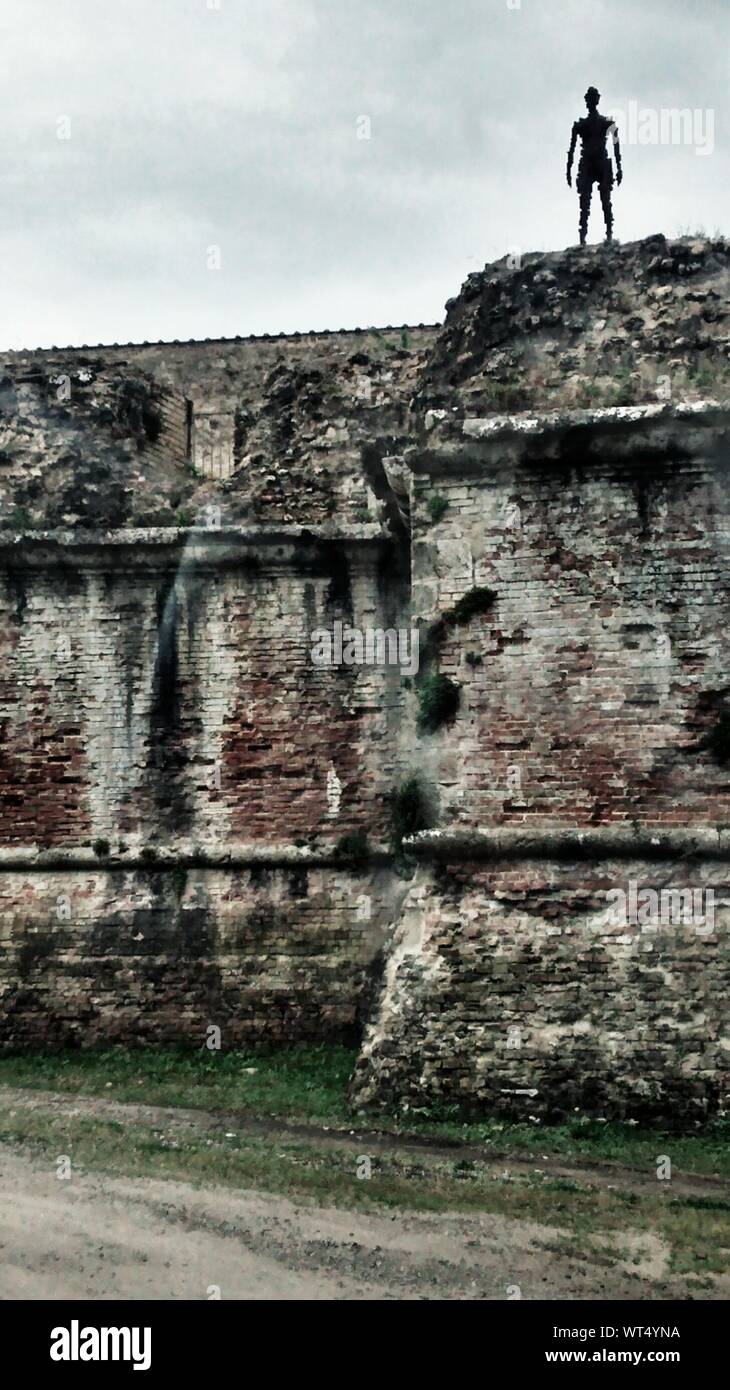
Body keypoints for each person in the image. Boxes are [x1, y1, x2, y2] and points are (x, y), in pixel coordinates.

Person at [567, 87, 623, 245]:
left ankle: (608, 234)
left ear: (596, 100)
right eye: (589, 99)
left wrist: (619, 168)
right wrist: (568, 171)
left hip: (600, 162)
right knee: (585, 202)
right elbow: (571, 150)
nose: (590, 102)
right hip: (589, 163)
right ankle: (584, 237)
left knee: (604, 200)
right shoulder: (582, 125)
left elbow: (616, 144)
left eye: (592, 99)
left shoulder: (606, 123)